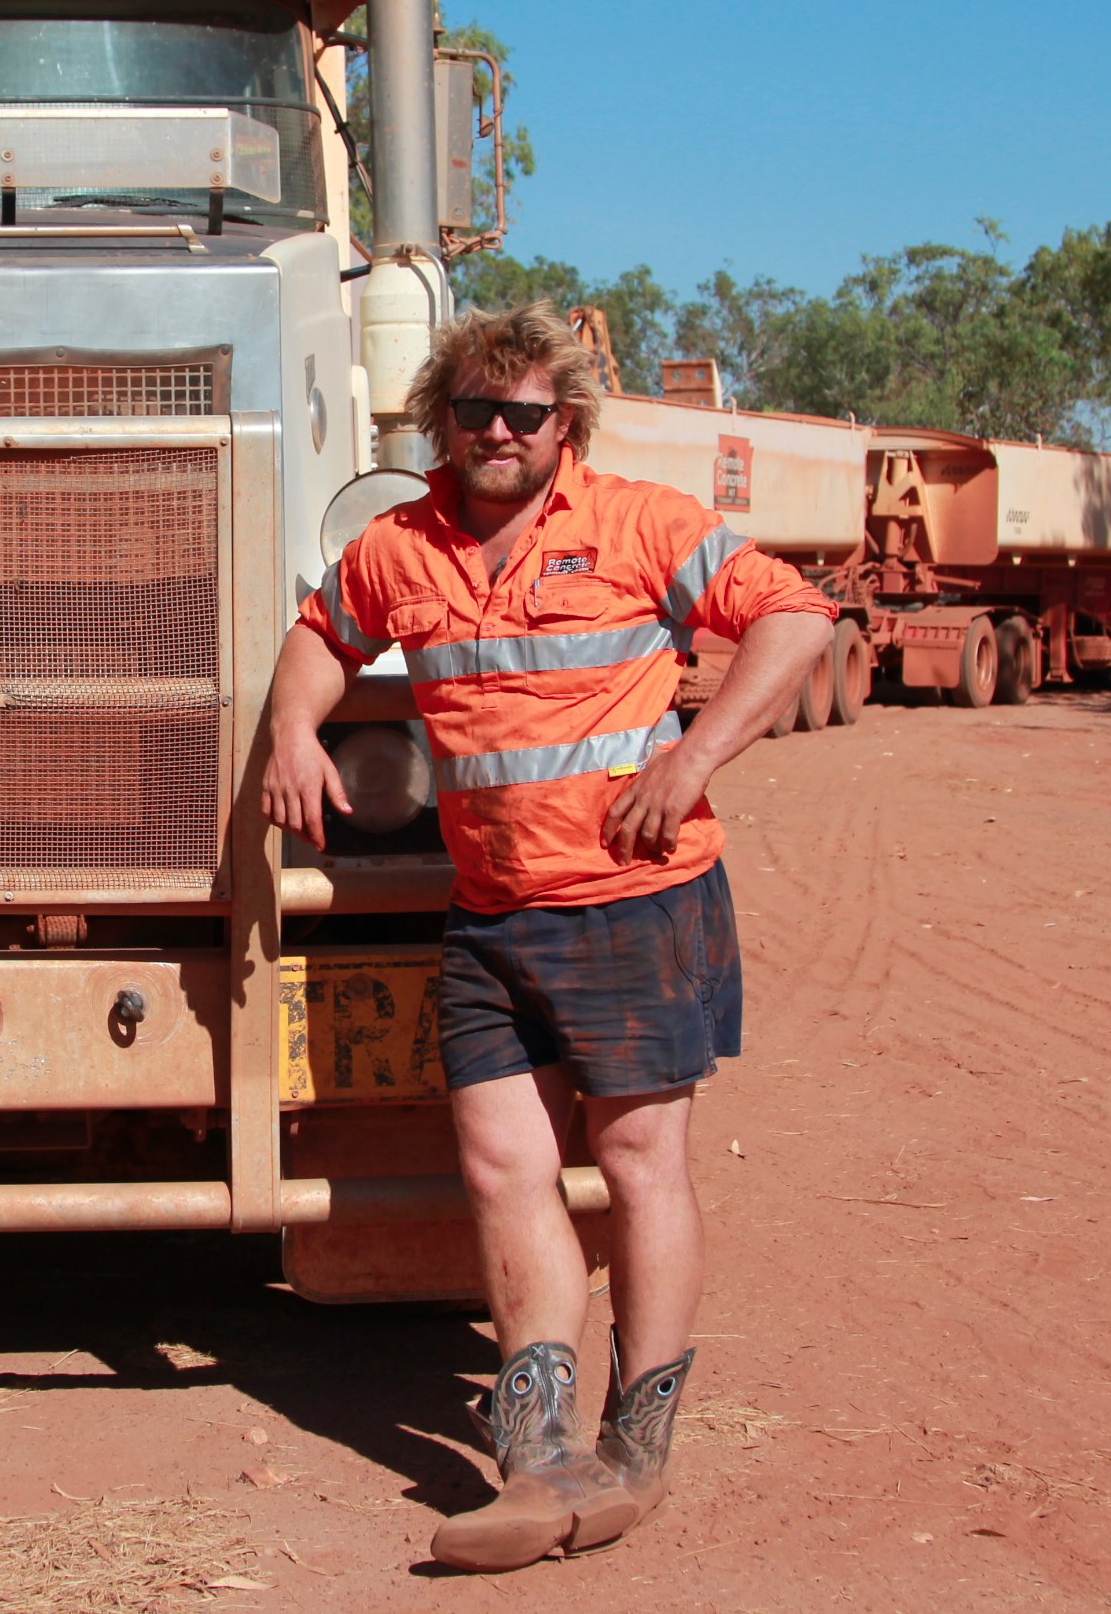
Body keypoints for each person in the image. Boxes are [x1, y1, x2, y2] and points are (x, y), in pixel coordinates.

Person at [260, 305, 834, 1574]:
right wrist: (296, 728)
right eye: (477, 409)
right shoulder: (399, 544)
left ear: (565, 420)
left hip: (636, 900)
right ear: (441, 419)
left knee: (637, 1161)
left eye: (526, 411)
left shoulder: (638, 523)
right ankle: (540, 1452)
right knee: (501, 1165)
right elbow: (319, 636)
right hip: (492, 915)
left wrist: (695, 755)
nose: (501, 431)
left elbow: (797, 618)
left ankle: (640, 1437)